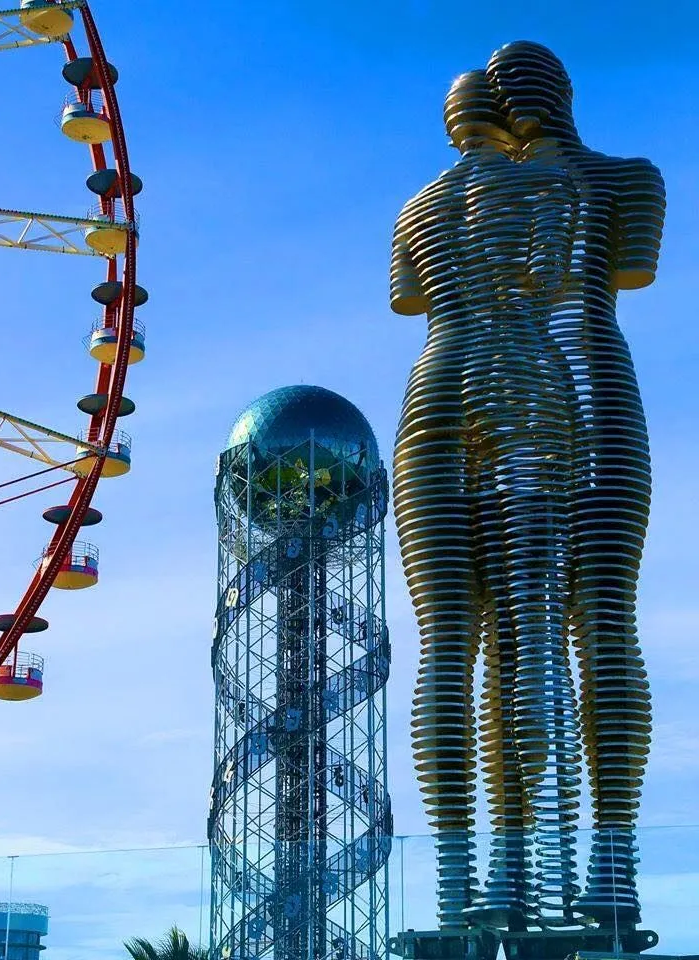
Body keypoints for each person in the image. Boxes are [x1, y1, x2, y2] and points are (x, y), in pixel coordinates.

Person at [392, 69, 582, 928]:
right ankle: (522, 870)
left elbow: (406, 299)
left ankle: (457, 887)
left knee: (445, 639)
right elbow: (552, 286)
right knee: (531, 629)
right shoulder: (545, 184)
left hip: (432, 389)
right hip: (520, 379)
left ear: (448, 124)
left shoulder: (414, 205)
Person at [486, 40, 665, 925]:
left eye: (511, 85)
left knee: (587, 623)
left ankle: (605, 864)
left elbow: (627, 274)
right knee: (542, 635)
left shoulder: (628, 178)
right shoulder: (493, 201)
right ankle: (543, 867)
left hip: (574, 395)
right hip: (526, 408)